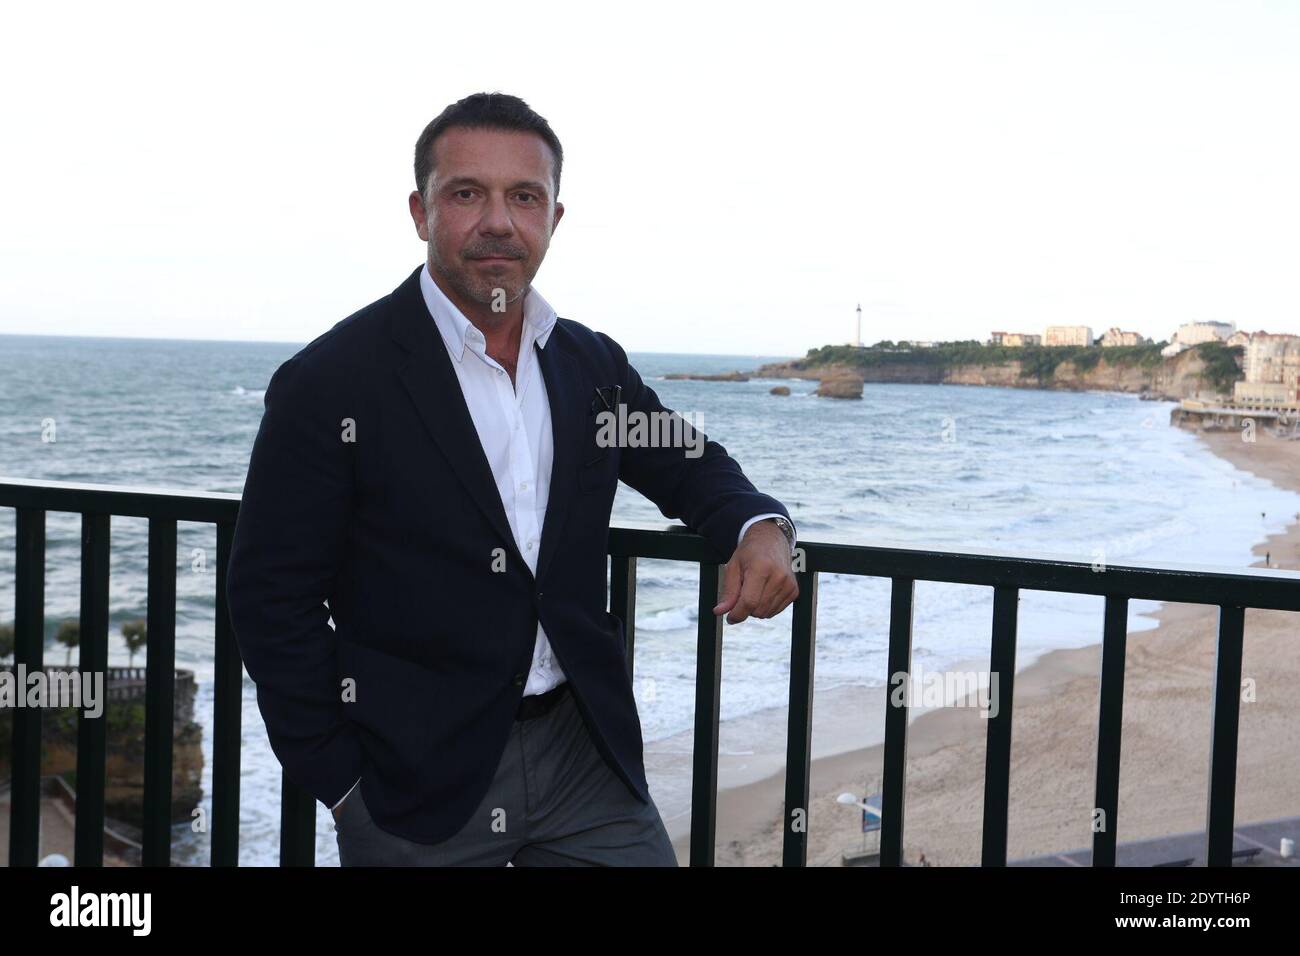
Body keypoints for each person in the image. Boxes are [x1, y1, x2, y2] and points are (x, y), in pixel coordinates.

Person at [226, 92, 799, 866]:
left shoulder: (588, 362)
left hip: (583, 757)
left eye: (524, 197)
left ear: (554, 219)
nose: (498, 220)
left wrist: (759, 525)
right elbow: (270, 596)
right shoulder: (331, 381)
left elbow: (685, 460)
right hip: (410, 780)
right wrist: (341, 781)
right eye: (467, 194)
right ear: (420, 213)